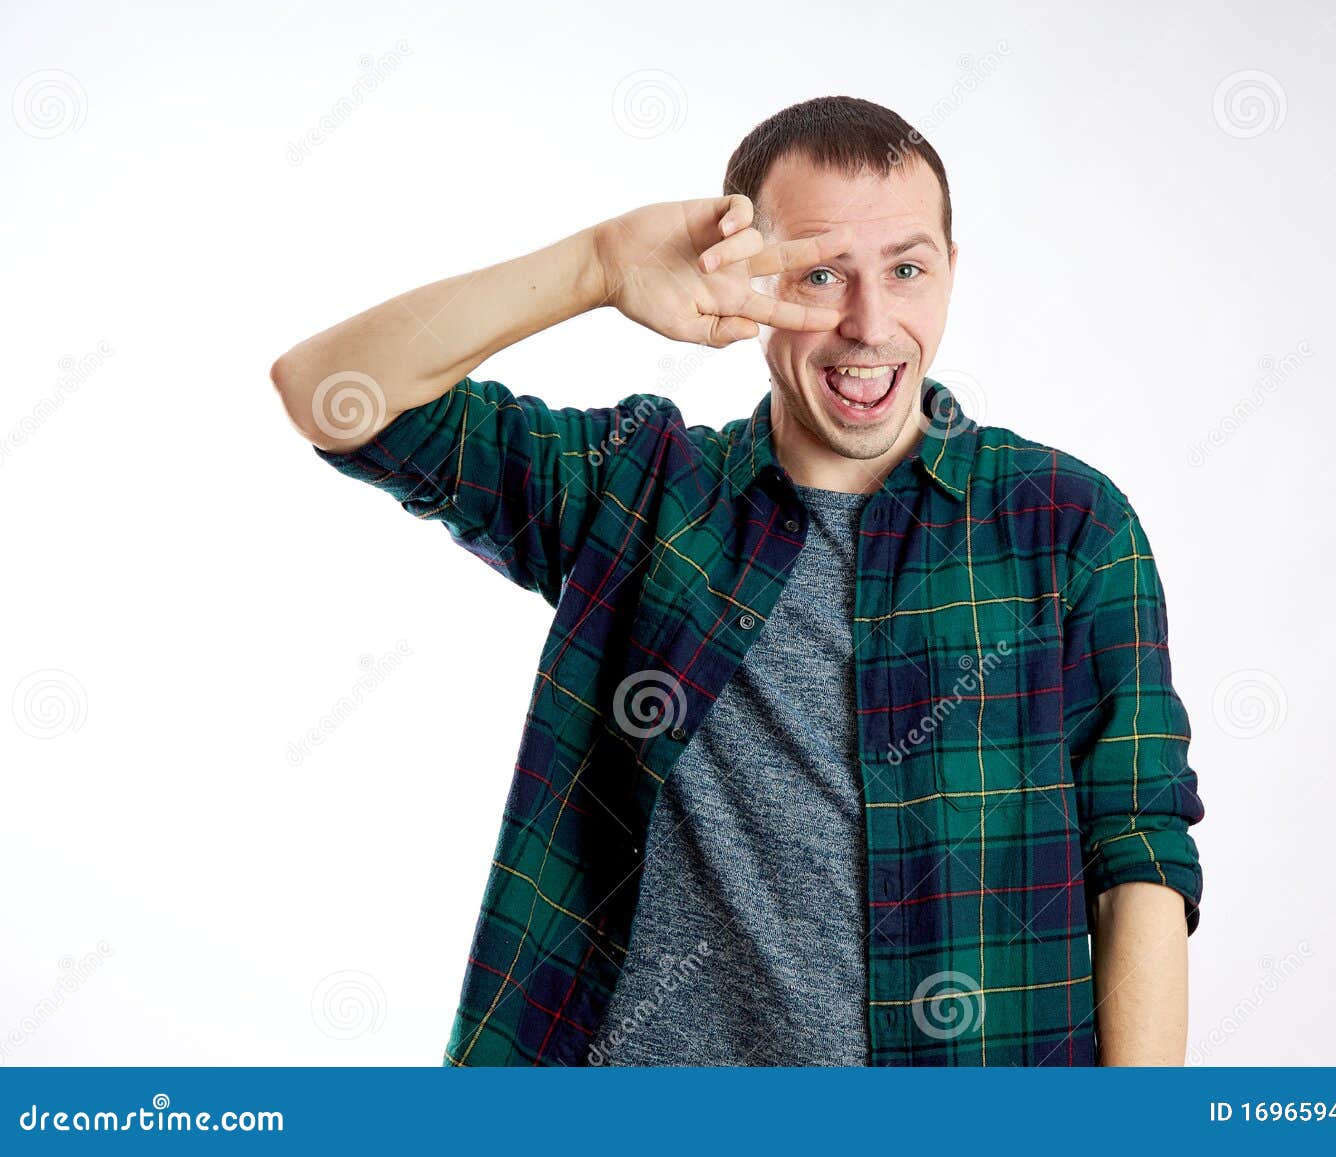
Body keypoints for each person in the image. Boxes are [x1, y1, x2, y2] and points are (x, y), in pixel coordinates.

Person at [270, 95, 1205, 1067]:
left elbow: (1134, 847)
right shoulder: (638, 489)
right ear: (748, 278)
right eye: (818, 273)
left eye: (907, 269)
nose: (868, 322)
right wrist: (593, 267)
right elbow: (330, 392)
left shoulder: (1065, 524)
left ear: (951, 275)